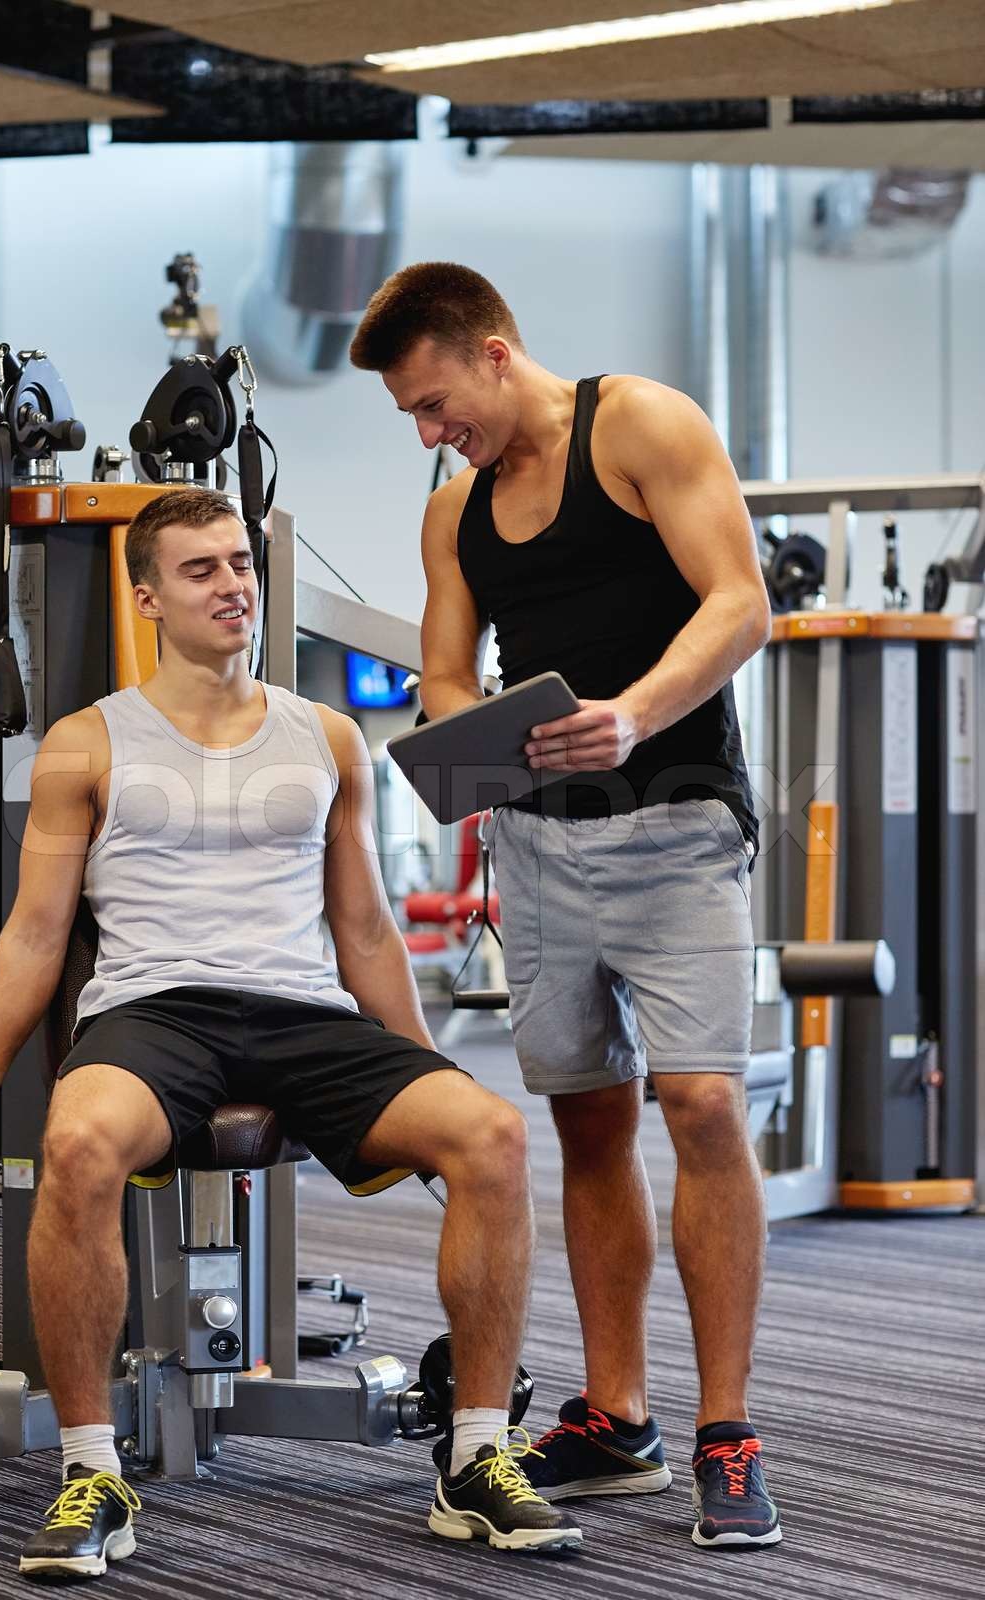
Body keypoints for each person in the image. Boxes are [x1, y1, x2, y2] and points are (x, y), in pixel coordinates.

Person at [0, 487, 583, 1579]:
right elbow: (36, 936)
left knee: (493, 1134)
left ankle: (475, 1459)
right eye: (201, 570)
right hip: (152, 1011)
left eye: (241, 563)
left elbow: (362, 924)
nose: (234, 585)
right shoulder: (87, 744)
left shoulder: (323, 735)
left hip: (300, 1012)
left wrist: (424, 1062)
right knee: (78, 1145)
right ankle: (94, 1470)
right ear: (146, 596)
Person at [350, 263, 781, 1550]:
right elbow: (437, 674)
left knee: (699, 1101)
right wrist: (459, 740)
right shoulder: (456, 516)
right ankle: (616, 1414)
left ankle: (728, 1430)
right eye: (415, 421)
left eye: (436, 405)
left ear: (493, 352)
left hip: (682, 817)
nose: (434, 436)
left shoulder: (643, 424)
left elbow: (742, 601)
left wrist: (632, 713)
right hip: (539, 850)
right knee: (588, 1124)